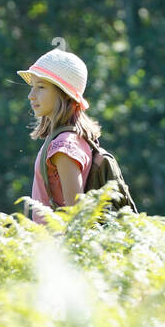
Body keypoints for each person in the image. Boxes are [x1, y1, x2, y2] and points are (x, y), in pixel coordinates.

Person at [19, 47, 101, 223]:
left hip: (56, 249)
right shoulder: (67, 140)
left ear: (64, 94)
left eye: (40, 87)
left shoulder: (64, 147)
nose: (31, 96)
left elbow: (76, 219)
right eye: (32, 87)